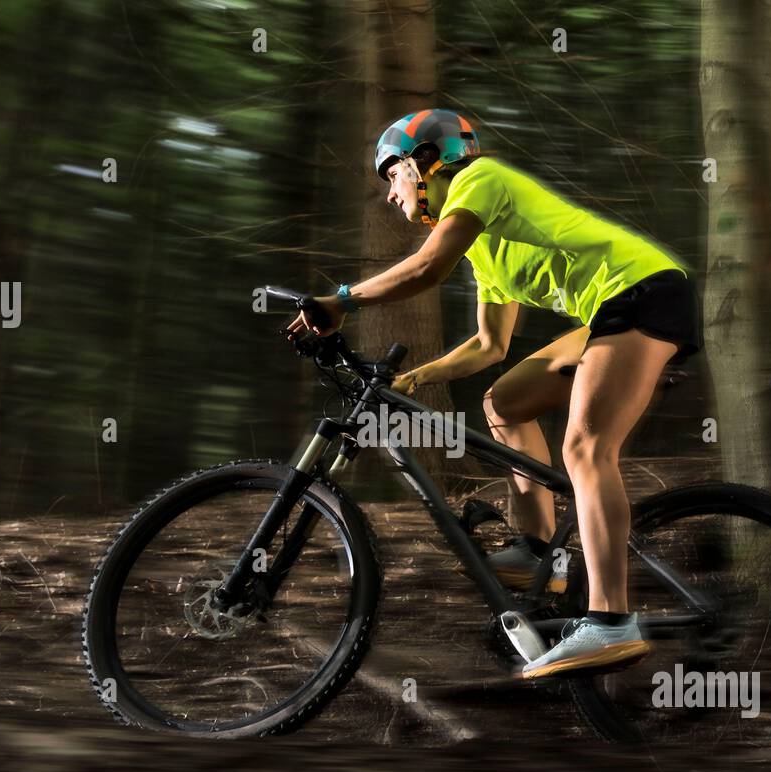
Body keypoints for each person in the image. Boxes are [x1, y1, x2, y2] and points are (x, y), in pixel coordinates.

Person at [288, 108, 702, 680]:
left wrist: (341, 299)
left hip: (642, 295)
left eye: (391, 176)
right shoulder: (482, 247)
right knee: (503, 402)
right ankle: (541, 553)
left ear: (424, 162)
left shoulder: (480, 180)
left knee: (586, 449)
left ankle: (610, 624)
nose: (390, 195)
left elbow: (426, 269)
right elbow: (488, 345)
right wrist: (415, 379)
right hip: (615, 308)